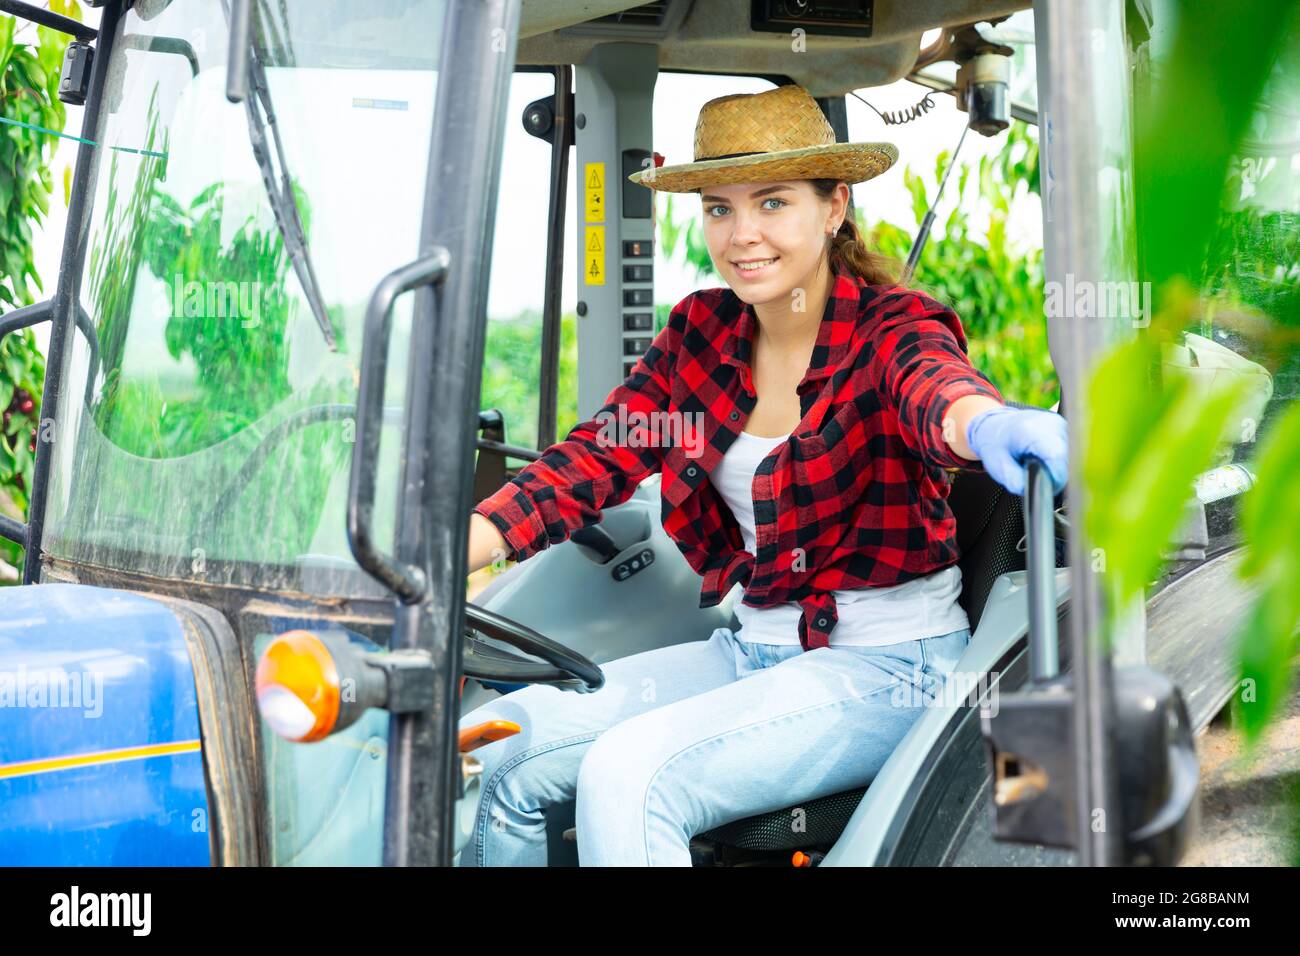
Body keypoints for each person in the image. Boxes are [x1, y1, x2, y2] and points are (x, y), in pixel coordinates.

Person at [458, 84, 1068, 866]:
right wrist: (437, 561)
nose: (742, 235)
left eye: (773, 203)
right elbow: (596, 457)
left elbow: (933, 388)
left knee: (629, 776)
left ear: (834, 205)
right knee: (510, 745)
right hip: (753, 649)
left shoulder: (890, 328)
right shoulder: (700, 335)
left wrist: (982, 424)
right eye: (720, 208)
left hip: (892, 666)